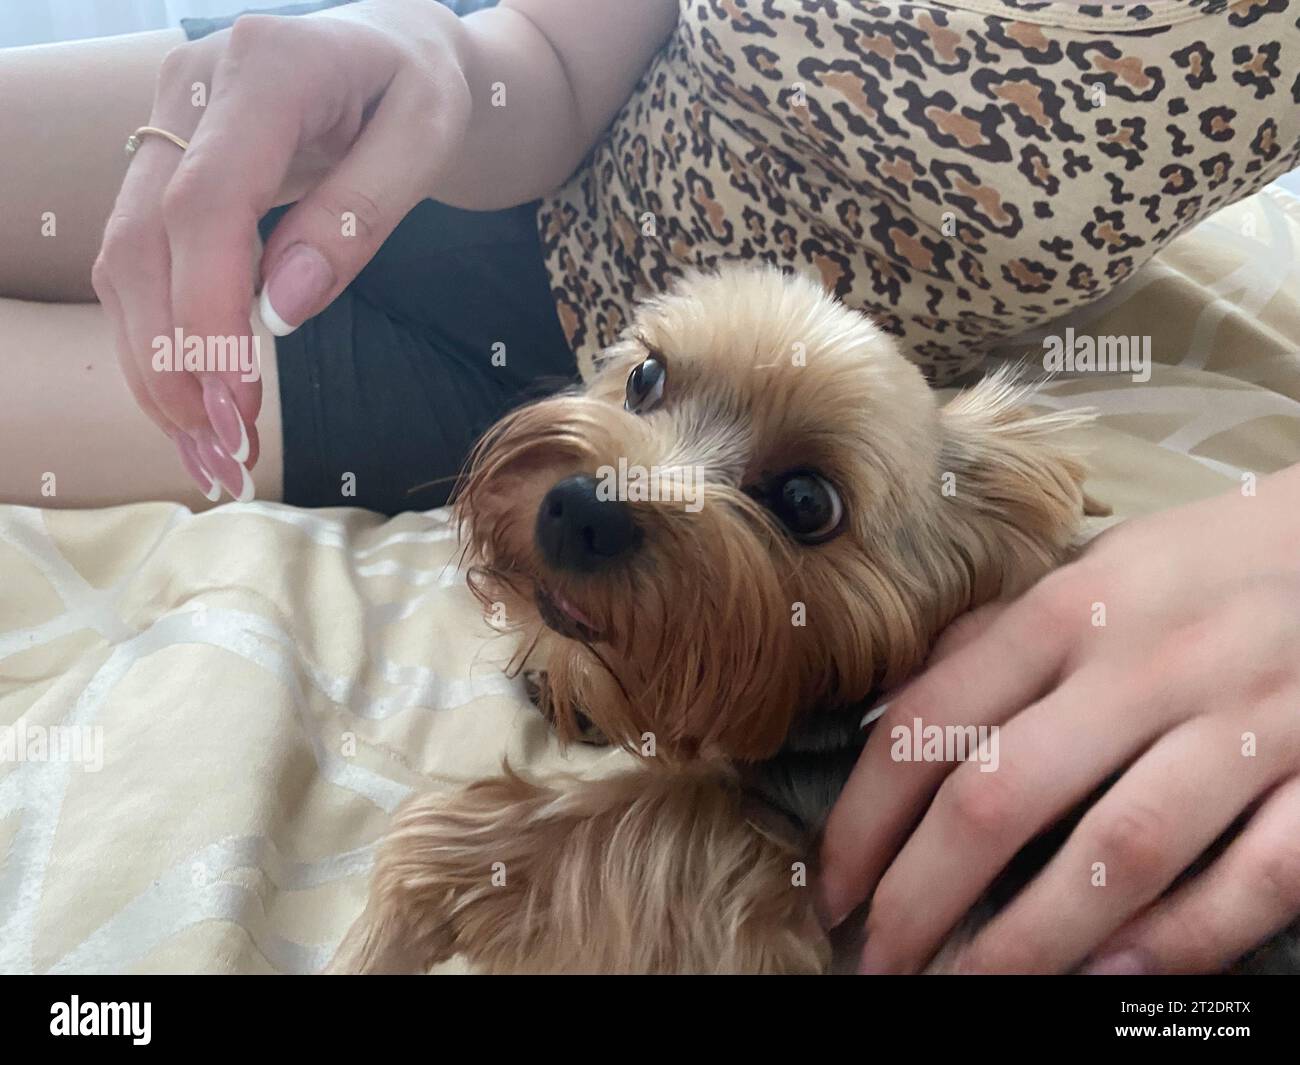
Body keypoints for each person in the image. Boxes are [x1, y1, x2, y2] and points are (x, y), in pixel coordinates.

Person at [1, 0, 1297, 972]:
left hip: (473, 396)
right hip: (433, 160)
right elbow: (552, 57)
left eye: (800, 505)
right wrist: (417, 54)